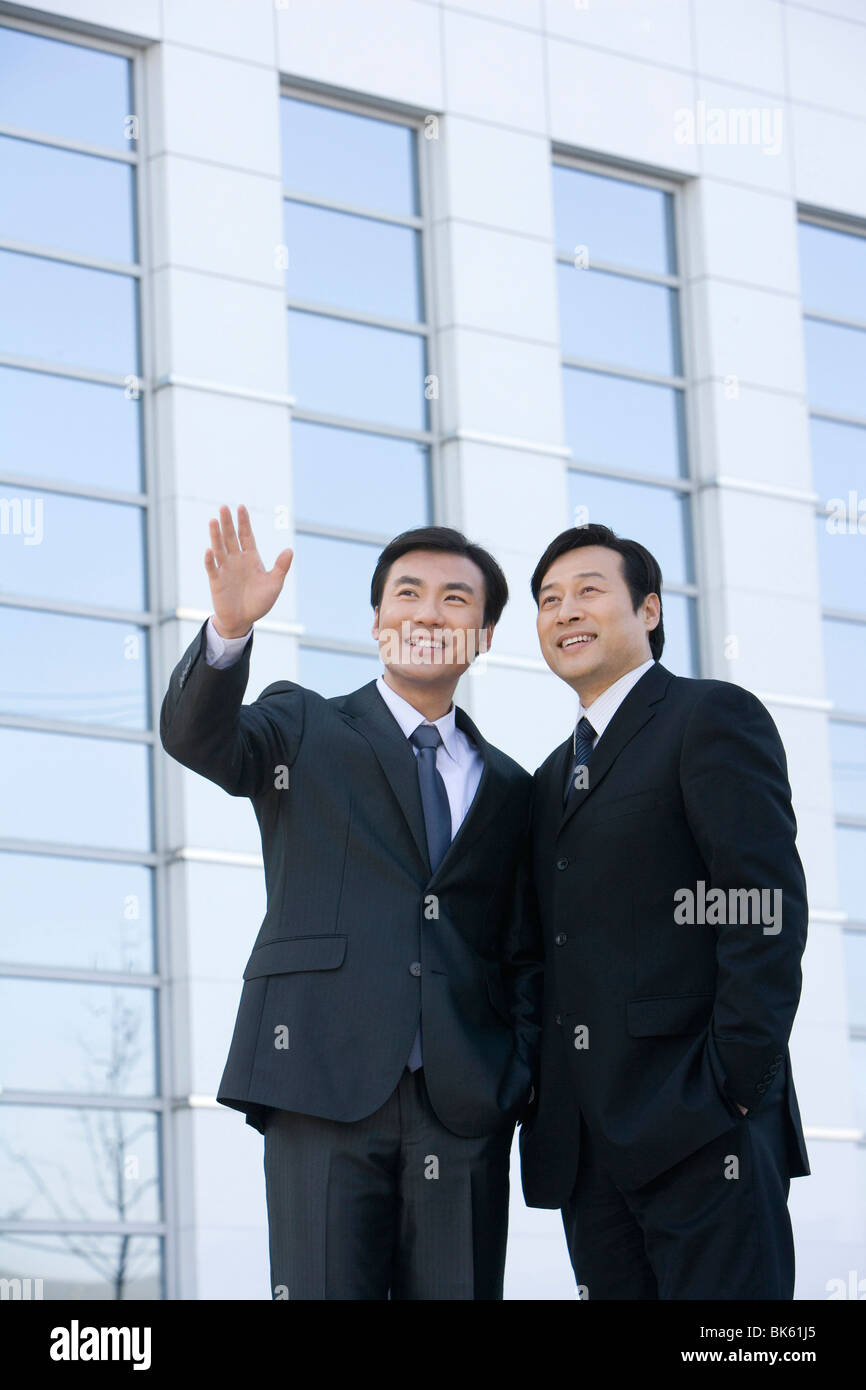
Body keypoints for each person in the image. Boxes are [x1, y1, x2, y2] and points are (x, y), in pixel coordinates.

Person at [160, 504, 541, 1299]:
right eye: (407, 594)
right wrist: (228, 631)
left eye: (455, 599)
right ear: (377, 621)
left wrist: (517, 1073)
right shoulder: (303, 724)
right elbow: (201, 740)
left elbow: (522, 948)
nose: (427, 612)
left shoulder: (512, 786)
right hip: (320, 1082)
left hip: (463, 1104)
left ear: (486, 635)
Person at [519, 522, 809, 1300]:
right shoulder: (549, 779)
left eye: (588, 591)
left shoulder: (708, 717)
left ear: (647, 610)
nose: (565, 611)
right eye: (548, 600)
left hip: (703, 1124)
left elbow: (762, 907)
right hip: (589, 1151)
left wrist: (733, 1082)